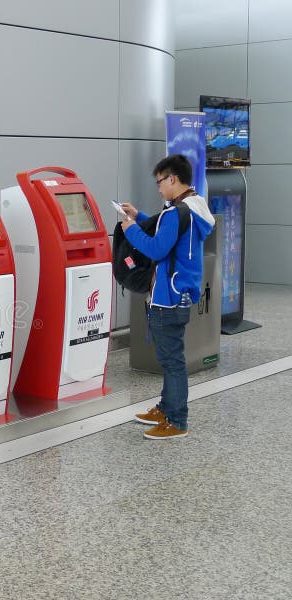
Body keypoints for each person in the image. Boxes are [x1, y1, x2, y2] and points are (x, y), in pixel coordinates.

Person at [120, 154, 215, 439]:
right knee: (170, 357)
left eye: (160, 182)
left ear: (172, 178)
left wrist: (131, 230)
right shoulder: (193, 207)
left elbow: (157, 248)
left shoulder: (176, 212)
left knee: (172, 361)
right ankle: (165, 408)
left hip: (169, 296)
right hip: (180, 291)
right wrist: (140, 217)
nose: (159, 189)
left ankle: (177, 421)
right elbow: (170, 234)